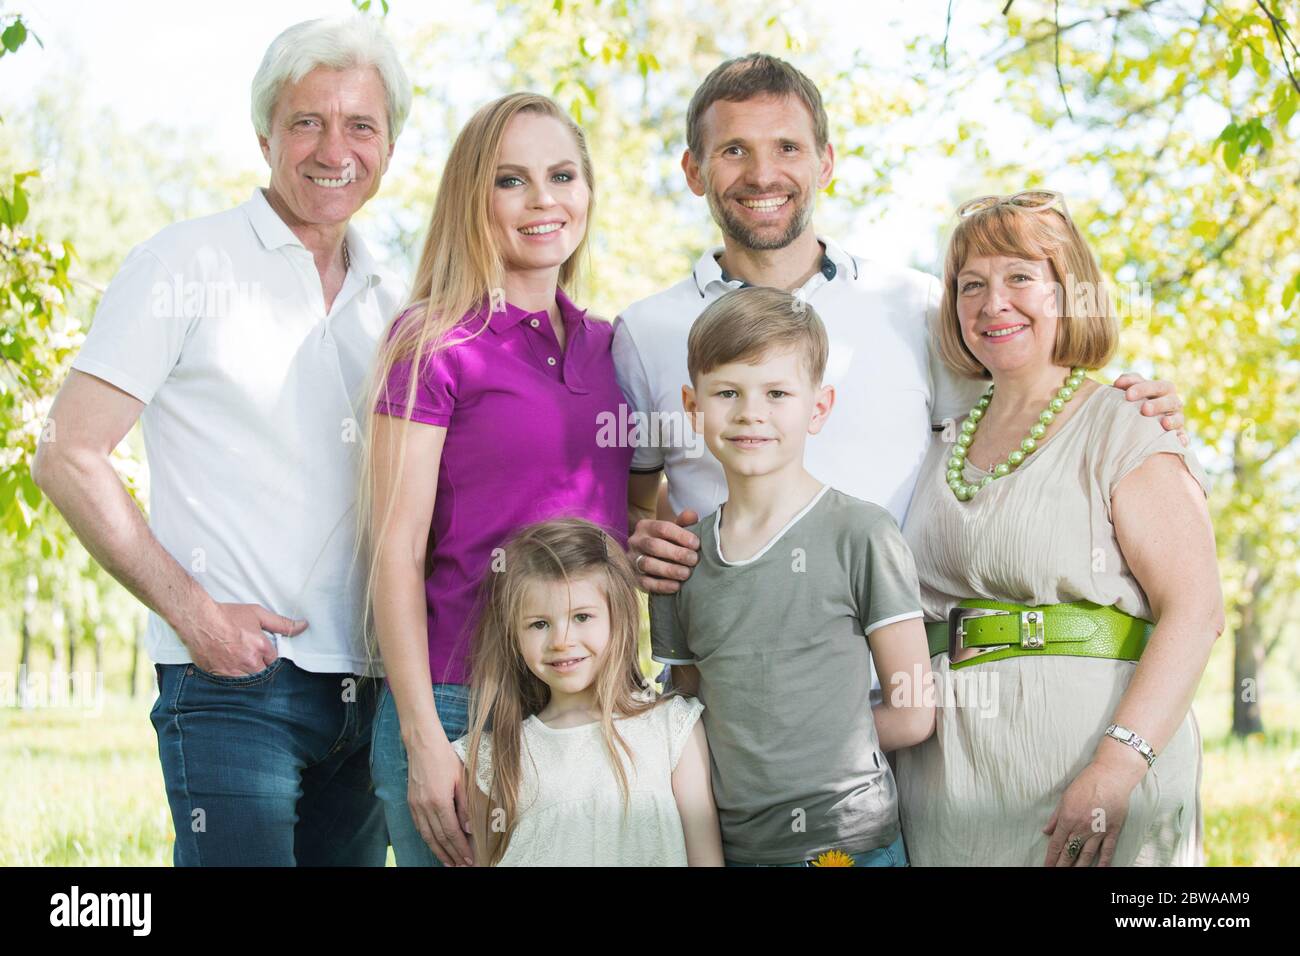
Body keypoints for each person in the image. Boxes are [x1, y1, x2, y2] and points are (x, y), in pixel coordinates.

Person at [31, 16, 411, 865]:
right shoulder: (184, 264)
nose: (333, 148)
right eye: (307, 120)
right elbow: (67, 453)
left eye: (361, 126)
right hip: (237, 686)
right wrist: (194, 616)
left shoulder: (402, 293)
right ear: (264, 133)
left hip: (376, 688)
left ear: (390, 146)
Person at [617, 54, 1187, 613]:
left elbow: (1026, 418)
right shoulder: (645, 332)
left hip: (903, 681)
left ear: (825, 163)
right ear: (694, 170)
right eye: (734, 149)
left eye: (787, 147)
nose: (763, 174)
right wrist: (642, 541)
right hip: (725, 678)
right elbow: (636, 505)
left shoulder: (916, 306)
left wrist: (1127, 409)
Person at [894, 189, 1223, 866]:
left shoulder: (1124, 422)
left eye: (1020, 277)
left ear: (1068, 293)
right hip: (949, 788)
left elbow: (1196, 608)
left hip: (1092, 775)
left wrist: (1117, 766)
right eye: (971, 285)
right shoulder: (938, 439)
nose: (993, 303)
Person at [365, 93, 634, 867]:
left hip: (596, 701)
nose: (544, 199)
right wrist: (424, 737)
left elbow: (628, 508)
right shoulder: (434, 341)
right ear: (472, 199)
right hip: (463, 703)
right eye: (511, 180)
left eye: (562, 175)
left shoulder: (612, 347)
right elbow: (394, 550)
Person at [650, 286, 935, 866]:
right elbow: (689, 727)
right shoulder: (682, 560)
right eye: (726, 392)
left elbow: (912, 713)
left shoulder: (861, 534)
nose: (751, 412)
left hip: (852, 844)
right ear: (691, 405)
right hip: (734, 850)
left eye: (777, 393)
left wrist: (800, 748)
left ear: (819, 407)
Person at [450, 518, 722, 866]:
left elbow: (706, 858)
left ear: (618, 617)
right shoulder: (495, 757)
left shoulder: (673, 728)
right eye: (539, 624)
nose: (561, 640)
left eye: (581, 617)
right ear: (513, 637)